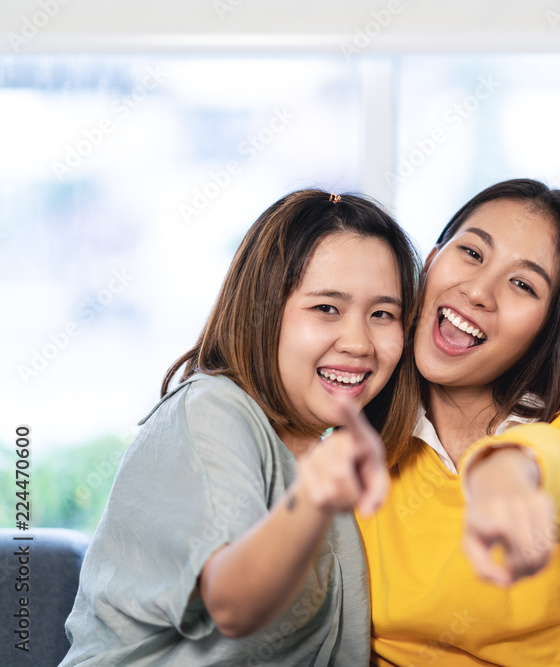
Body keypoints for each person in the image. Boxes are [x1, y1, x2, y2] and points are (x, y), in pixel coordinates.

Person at [61, 189, 420, 666]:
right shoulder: (212, 413)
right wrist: (312, 495)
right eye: (326, 309)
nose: (359, 342)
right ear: (263, 311)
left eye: (382, 315)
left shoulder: (326, 453)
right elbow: (233, 604)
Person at [356, 179, 560, 666]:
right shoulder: (353, 446)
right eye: (472, 253)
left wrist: (520, 470)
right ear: (430, 261)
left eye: (523, 284)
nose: (477, 291)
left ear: (551, 326)